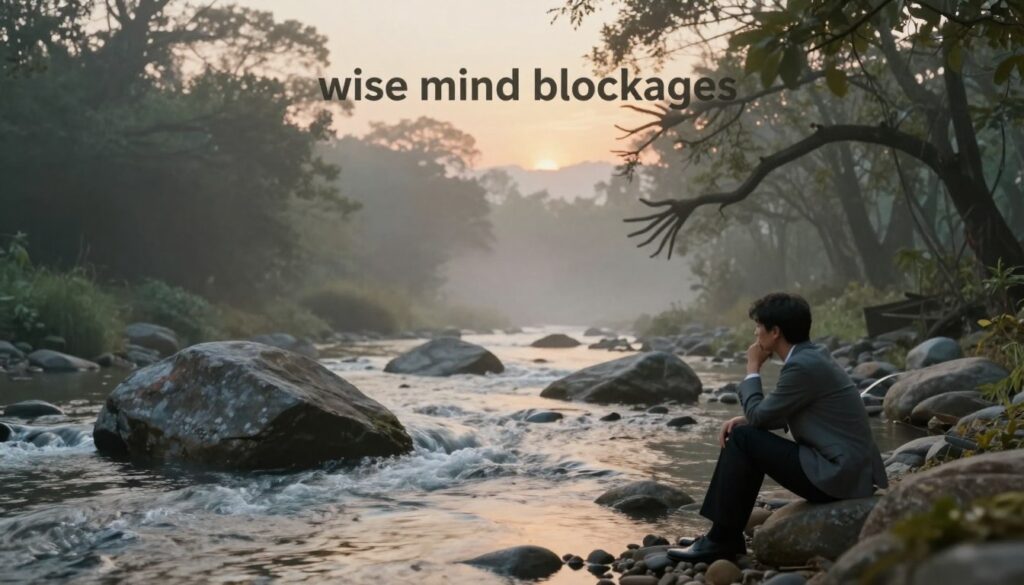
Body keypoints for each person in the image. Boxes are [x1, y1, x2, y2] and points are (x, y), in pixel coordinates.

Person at [667, 292, 888, 563]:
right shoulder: (812, 356)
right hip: (849, 469)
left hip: (838, 474)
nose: (755, 333)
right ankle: (724, 534)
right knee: (744, 433)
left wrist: (752, 368)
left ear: (775, 332)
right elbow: (783, 410)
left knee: (742, 439)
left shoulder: (802, 366)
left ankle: (722, 539)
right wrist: (749, 419)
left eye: (759, 326)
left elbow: (761, 416)